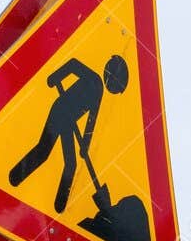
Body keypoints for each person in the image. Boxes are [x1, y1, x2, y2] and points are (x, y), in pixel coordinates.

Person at [8, 55, 129, 214]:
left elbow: (91, 120)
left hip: (69, 122)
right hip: (59, 112)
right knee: (44, 151)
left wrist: (85, 143)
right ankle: (14, 177)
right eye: (117, 86)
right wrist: (55, 77)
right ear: (112, 78)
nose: (114, 90)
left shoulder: (98, 92)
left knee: (70, 164)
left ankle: (59, 207)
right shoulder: (94, 81)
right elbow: (73, 65)